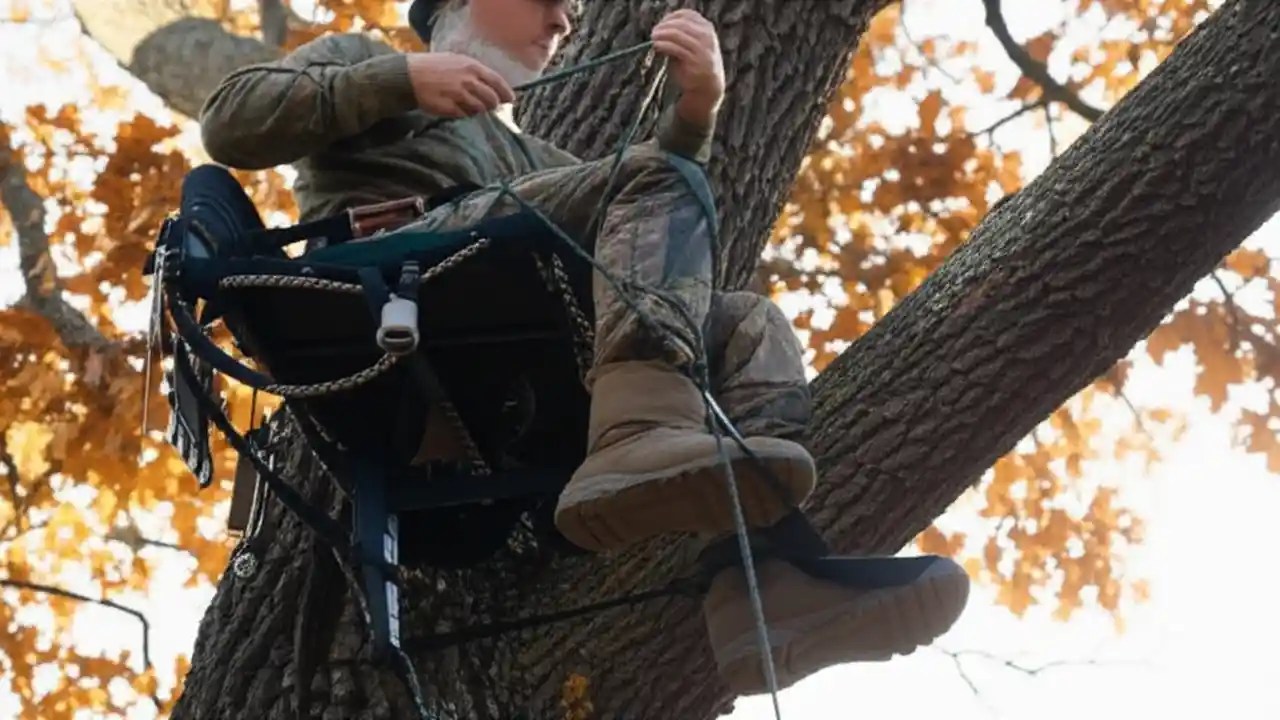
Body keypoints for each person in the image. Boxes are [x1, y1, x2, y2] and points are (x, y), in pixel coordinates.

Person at [199, 0, 968, 695]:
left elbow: (649, 195)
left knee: (746, 325)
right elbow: (229, 120)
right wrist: (401, 78)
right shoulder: (363, 59)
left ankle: (765, 580)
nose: (565, 18)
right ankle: (637, 429)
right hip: (390, 278)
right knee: (652, 183)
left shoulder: (522, 155)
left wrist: (697, 107)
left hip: (485, 291)